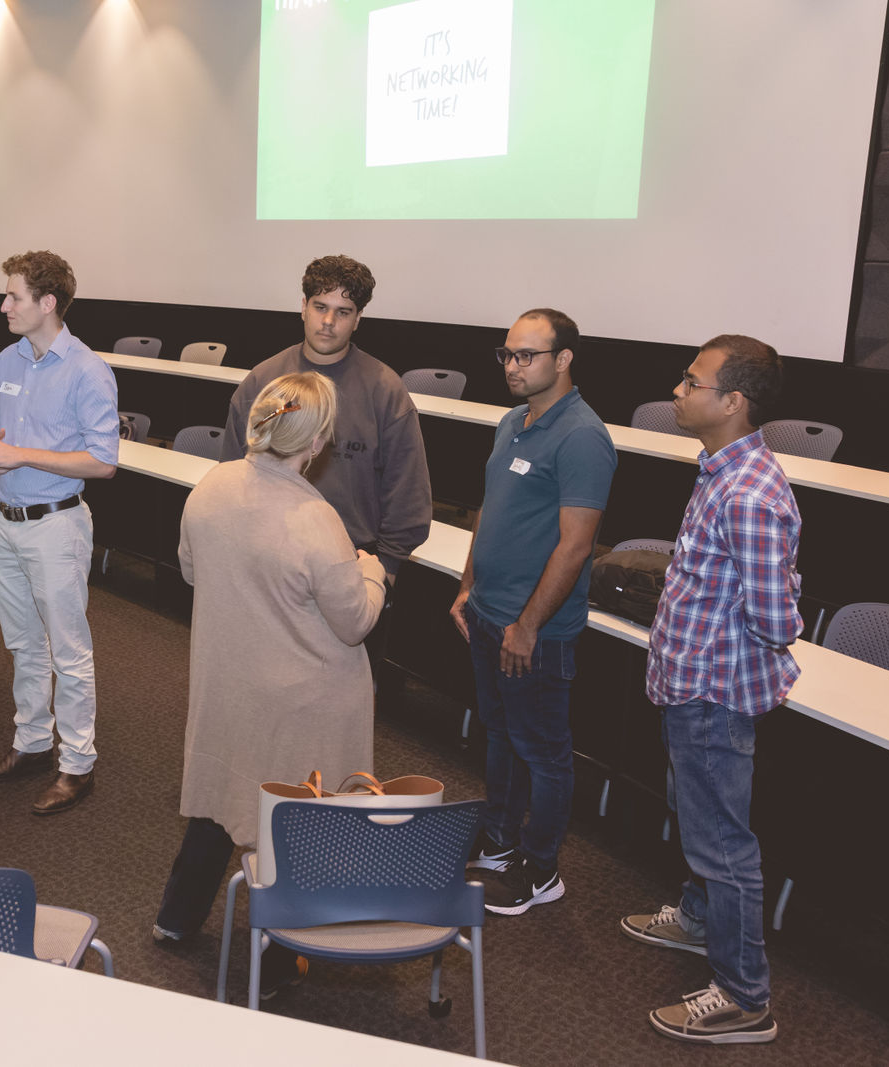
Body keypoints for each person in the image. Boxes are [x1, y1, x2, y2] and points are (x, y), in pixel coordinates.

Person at [155, 371, 386, 997]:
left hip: (231, 680)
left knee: (218, 801)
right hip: (303, 701)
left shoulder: (211, 483)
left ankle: (175, 921)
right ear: (316, 444)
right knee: (294, 817)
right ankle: (283, 955)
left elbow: (190, 568)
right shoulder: (317, 519)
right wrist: (374, 575)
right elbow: (355, 622)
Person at [624, 334, 800, 1046]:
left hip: (713, 694)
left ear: (732, 402)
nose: (677, 389)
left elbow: (777, 619)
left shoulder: (752, 495)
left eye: (691, 381)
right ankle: (699, 920)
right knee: (702, 829)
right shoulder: (720, 469)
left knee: (723, 845)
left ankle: (744, 996)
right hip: (691, 683)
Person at [446, 308, 617, 916]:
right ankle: (498, 840)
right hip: (489, 614)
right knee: (501, 734)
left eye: (527, 356)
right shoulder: (513, 421)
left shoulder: (582, 437)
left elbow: (576, 545)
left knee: (544, 752)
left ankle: (541, 870)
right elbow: (491, 509)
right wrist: (469, 585)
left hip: (536, 632)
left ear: (564, 360)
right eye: (507, 355)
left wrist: (528, 625)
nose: (512, 367)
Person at [0, 250, 118, 815]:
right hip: (3, 521)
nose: (3, 305)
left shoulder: (87, 370)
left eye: (13, 297)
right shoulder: (8, 360)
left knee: (69, 653)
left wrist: (17, 454)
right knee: (22, 644)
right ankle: (33, 743)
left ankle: (77, 765)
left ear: (47, 303)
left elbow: (103, 461)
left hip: (56, 526)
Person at [219, 255, 431, 582]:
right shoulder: (263, 381)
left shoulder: (385, 390)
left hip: (350, 561)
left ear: (358, 318)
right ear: (303, 306)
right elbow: (232, 471)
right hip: (265, 551)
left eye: (343, 311)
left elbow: (407, 488)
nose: (329, 320)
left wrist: (387, 567)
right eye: (320, 307)